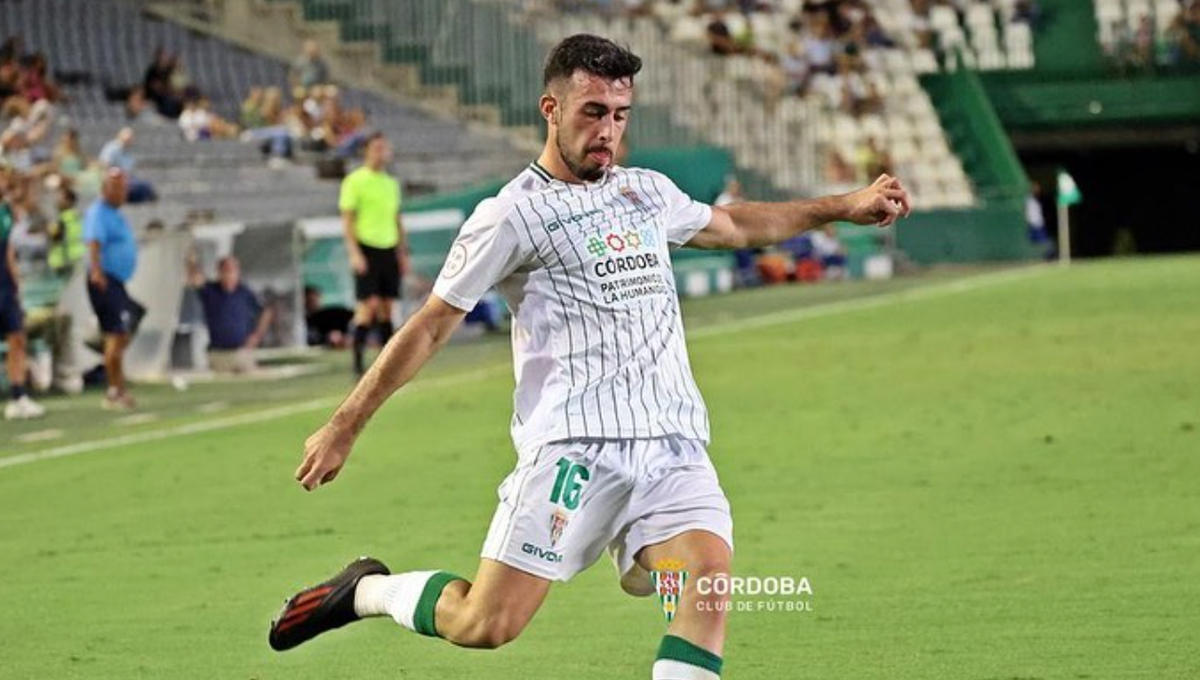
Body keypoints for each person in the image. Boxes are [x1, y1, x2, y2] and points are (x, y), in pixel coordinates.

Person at [269, 35, 910, 680]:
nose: (608, 131)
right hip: (573, 451)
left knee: (706, 583)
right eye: (592, 112)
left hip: (670, 443)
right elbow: (433, 325)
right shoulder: (512, 216)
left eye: (620, 115)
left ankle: (643, 553)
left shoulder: (646, 193)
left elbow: (736, 226)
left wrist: (842, 205)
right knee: (484, 626)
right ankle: (365, 592)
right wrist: (346, 422)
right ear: (551, 108)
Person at [337, 132, 408, 375]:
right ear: (366, 151)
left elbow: (397, 220)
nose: (381, 152)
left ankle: (386, 365)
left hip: (389, 249)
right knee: (367, 308)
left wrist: (402, 252)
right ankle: (357, 366)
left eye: (384, 148)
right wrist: (354, 253)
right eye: (377, 148)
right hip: (367, 248)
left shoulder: (391, 183)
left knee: (387, 308)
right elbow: (347, 221)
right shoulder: (354, 181)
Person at [84, 169, 138, 410]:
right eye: (119, 188)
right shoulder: (98, 213)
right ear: (107, 189)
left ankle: (118, 386)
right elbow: (94, 241)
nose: (123, 193)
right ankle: (114, 390)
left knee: (121, 335)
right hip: (105, 280)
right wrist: (97, 271)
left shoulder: (115, 213)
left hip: (116, 281)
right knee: (115, 335)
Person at [186, 252, 272, 374]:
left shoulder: (245, 292)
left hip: (241, 351)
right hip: (219, 353)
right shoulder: (210, 291)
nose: (229, 274)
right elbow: (195, 278)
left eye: (233, 270)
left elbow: (266, 312)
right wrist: (192, 261)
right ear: (219, 272)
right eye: (226, 270)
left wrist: (256, 336)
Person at [1, 186, 45, 420]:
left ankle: (18, 396)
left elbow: (8, 249)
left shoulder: (6, 210)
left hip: (5, 285)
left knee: (17, 337)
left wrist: (16, 281)